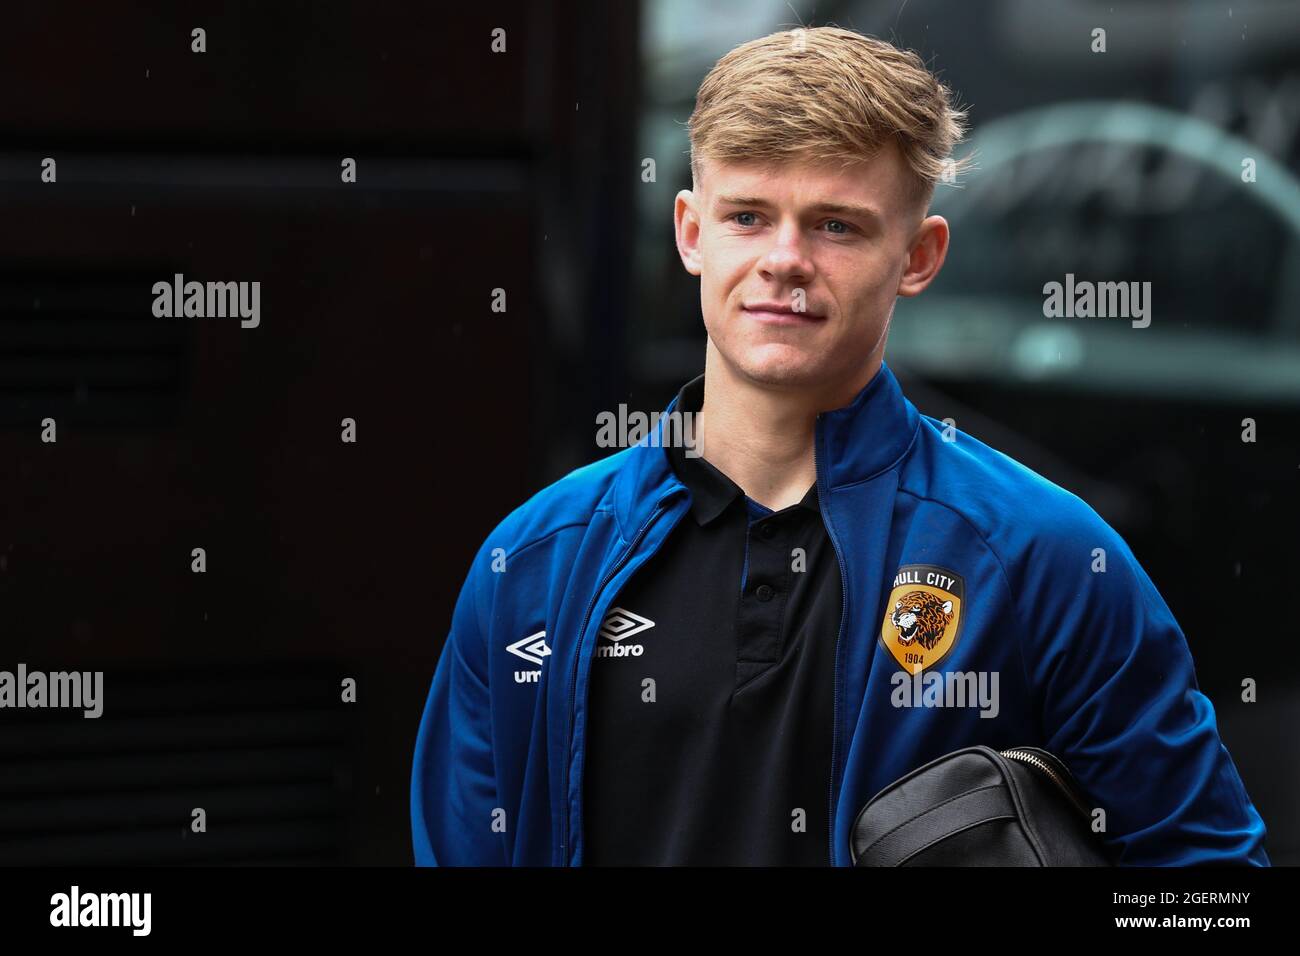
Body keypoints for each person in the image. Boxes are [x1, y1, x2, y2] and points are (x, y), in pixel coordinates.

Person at [410, 26, 1269, 866]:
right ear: (690, 233)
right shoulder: (531, 563)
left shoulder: (1044, 557)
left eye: (836, 227)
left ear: (919, 255)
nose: (785, 259)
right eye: (748, 215)